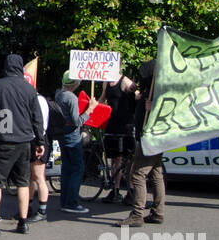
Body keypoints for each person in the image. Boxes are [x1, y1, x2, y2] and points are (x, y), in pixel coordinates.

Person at [0, 54, 44, 237]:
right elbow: (36, 118)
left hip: (1, 142)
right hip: (24, 142)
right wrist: (39, 141)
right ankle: (23, 222)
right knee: (23, 182)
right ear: (21, 68)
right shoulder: (29, 89)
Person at [119, 58, 165, 228]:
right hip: (153, 138)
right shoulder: (152, 90)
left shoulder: (157, 93)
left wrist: (152, 108)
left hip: (151, 138)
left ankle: (137, 214)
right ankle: (158, 212)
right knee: (156, 174)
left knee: (138, 174)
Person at [53, 72, 95, 215]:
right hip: (72, 137)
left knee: (66, 169)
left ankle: (65, 202)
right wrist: (90, 109)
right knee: (77, 169)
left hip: (62, 135)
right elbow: (77, 121)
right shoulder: (71, 98)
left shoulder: (58, 94)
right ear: (75, 84)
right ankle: (72, 202)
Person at [99, 72, 139, 202]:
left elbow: (135, 94)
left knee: (128, 160)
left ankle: (131, 190)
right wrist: (94, 108)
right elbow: (103, 98)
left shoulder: (124, 81)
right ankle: (115, 190)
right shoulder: (106, 82)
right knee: (115, 160)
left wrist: (135, 90)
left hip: (125, 125)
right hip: (112, 125)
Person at [27, 88, 54, 221]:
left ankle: (42, 211)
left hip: (38, 139)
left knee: (38, 176)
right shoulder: (39, 99)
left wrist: (39, 142)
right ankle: (28, 207)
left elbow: (39, 123)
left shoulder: (38, 100)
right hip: (34, 139)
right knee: (29, 177)